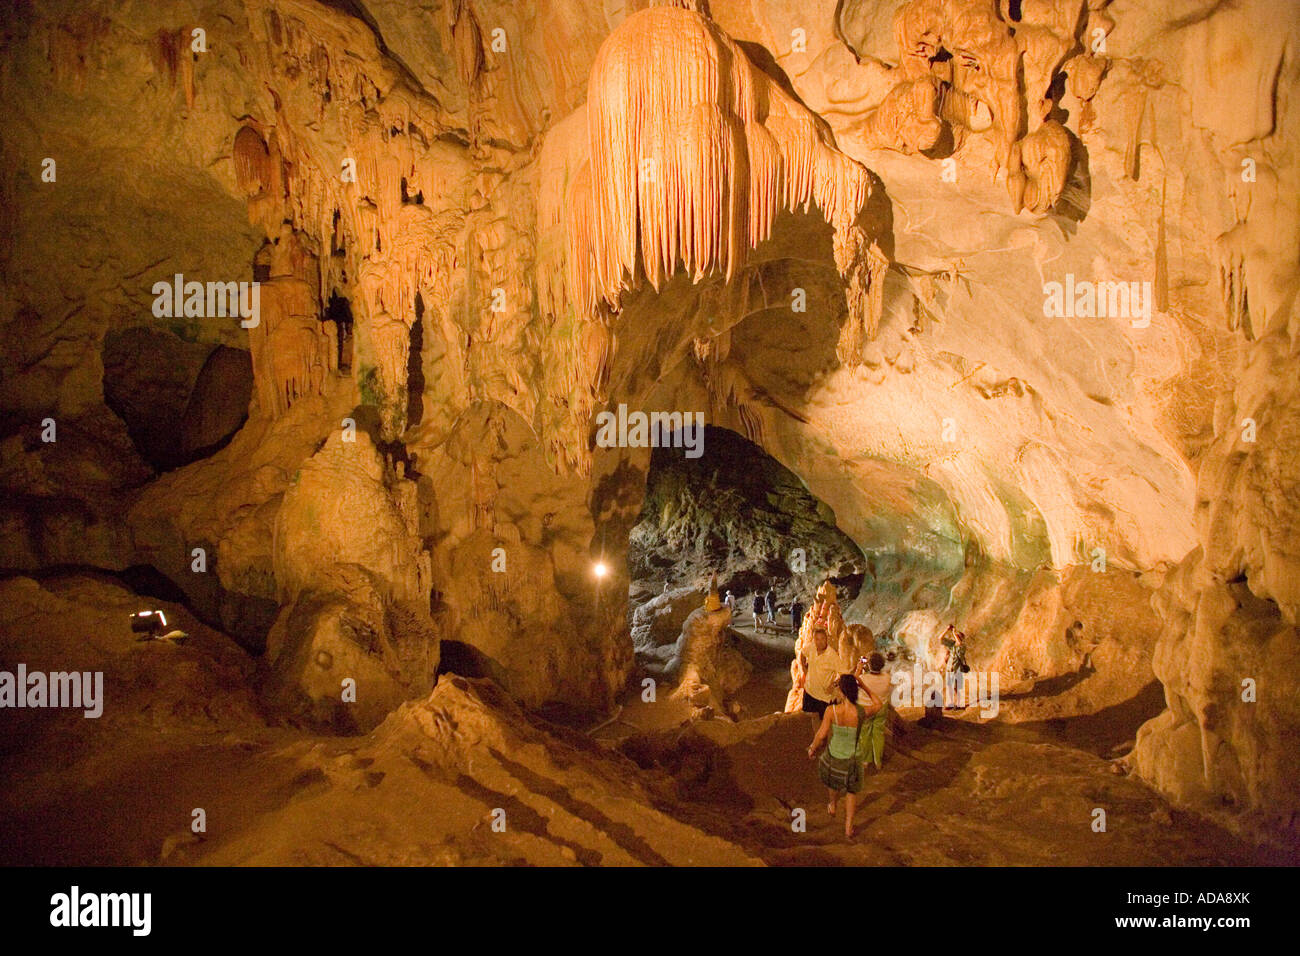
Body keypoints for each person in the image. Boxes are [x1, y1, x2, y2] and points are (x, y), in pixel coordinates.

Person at [808, 674, 881, 838]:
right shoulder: (860, 712)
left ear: (841, 691)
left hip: (835, 755)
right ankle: (848, 827)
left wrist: (812, 748)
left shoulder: (831, 710)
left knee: (832, 782)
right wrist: (864, 686)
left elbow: (821, 734)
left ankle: (833, 804)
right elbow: (878, 704)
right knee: (851, 791)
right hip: (853, 758)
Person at [798, 626, 845, 720]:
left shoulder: (832, 656)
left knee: (826, 721)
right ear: (814, 640)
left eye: (822, 638)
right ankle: (816, 734)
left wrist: (834, 684)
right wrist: (804, 668)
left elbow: (844, 674)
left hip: (824, 697)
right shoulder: (811, 647)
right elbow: (802, 654)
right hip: (810, 691)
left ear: (826, 639)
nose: (820, 642)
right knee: (812, 717)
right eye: (817, 639)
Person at [855, 653, 892, 770]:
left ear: (869, 665)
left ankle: (866, 760)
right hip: (881, 708)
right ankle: (878, 761)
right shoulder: (887, 677)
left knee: (864, 734)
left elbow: (854, 681)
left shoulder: (864, 679)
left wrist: (859, 668)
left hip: (866, 708)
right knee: (878, 733)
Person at [941, 625, 968, 710]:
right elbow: (940, 639)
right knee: (950, 686)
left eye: (959, 637)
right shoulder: (952, 645)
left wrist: (953, 632)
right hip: (950, 668)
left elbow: (959, 643)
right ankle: (951, 704)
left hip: (958, 669)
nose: (957, 638)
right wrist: (946, 629)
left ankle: (960, 704)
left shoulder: (962, 646)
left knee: (957, 687)